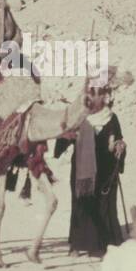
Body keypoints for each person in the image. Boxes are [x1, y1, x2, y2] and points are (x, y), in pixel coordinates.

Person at [53, 87, 127, 257]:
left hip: (105, 169)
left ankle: (104, 244)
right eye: (94, 95)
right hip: (83, 170)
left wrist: (119, 146)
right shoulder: (79, 117)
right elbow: (62, 140)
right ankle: (78, 244)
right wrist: (66, 136)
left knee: (105, 205)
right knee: (81, 205)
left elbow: (118, 138)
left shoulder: (111, 117)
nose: (97, 98)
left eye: (101, 95)